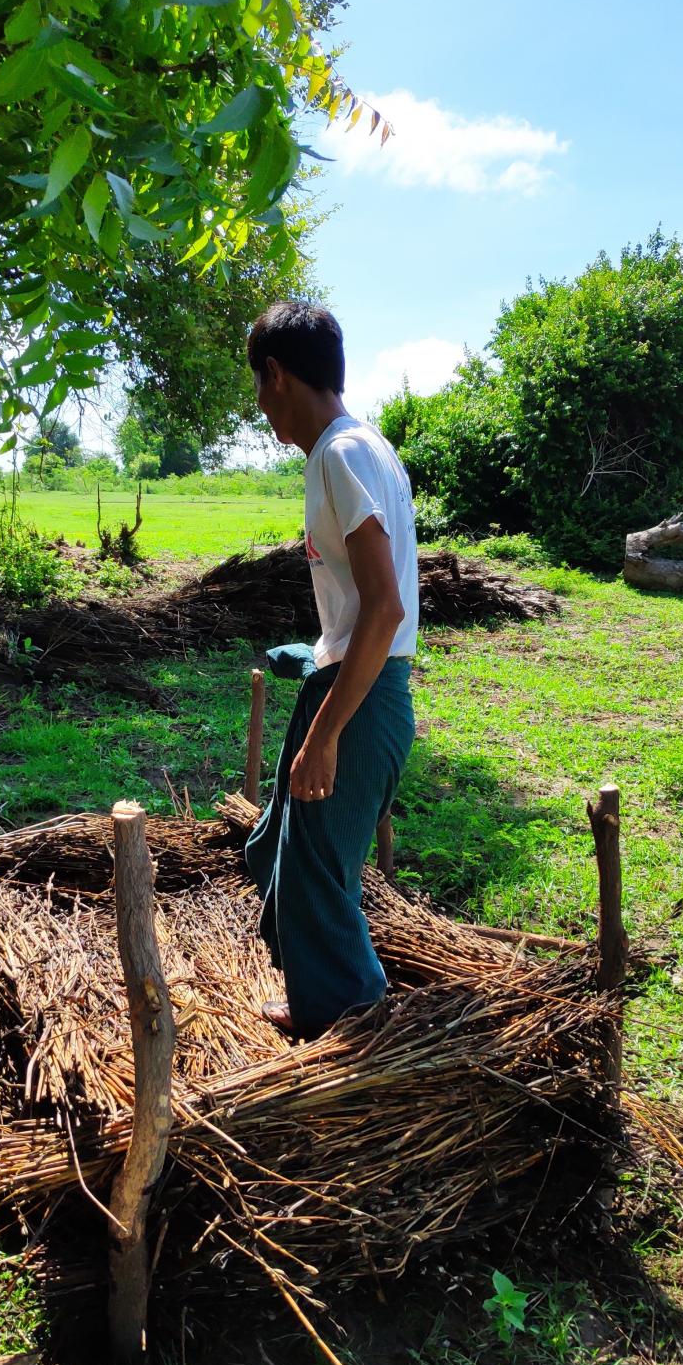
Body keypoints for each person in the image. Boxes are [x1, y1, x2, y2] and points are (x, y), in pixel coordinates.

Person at [244, 301, 418, 1039]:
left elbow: (385, 611)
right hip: (351, 682)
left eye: (257, 385)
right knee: (280, 849)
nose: (259, 405)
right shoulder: (361, 447)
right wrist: (316, 652)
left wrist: (325, 736)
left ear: (277, 375)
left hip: (363, 702)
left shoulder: (341, 455)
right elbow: (363, 612)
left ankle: (352, 1031)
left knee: (319, 878)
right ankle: (320, 995)